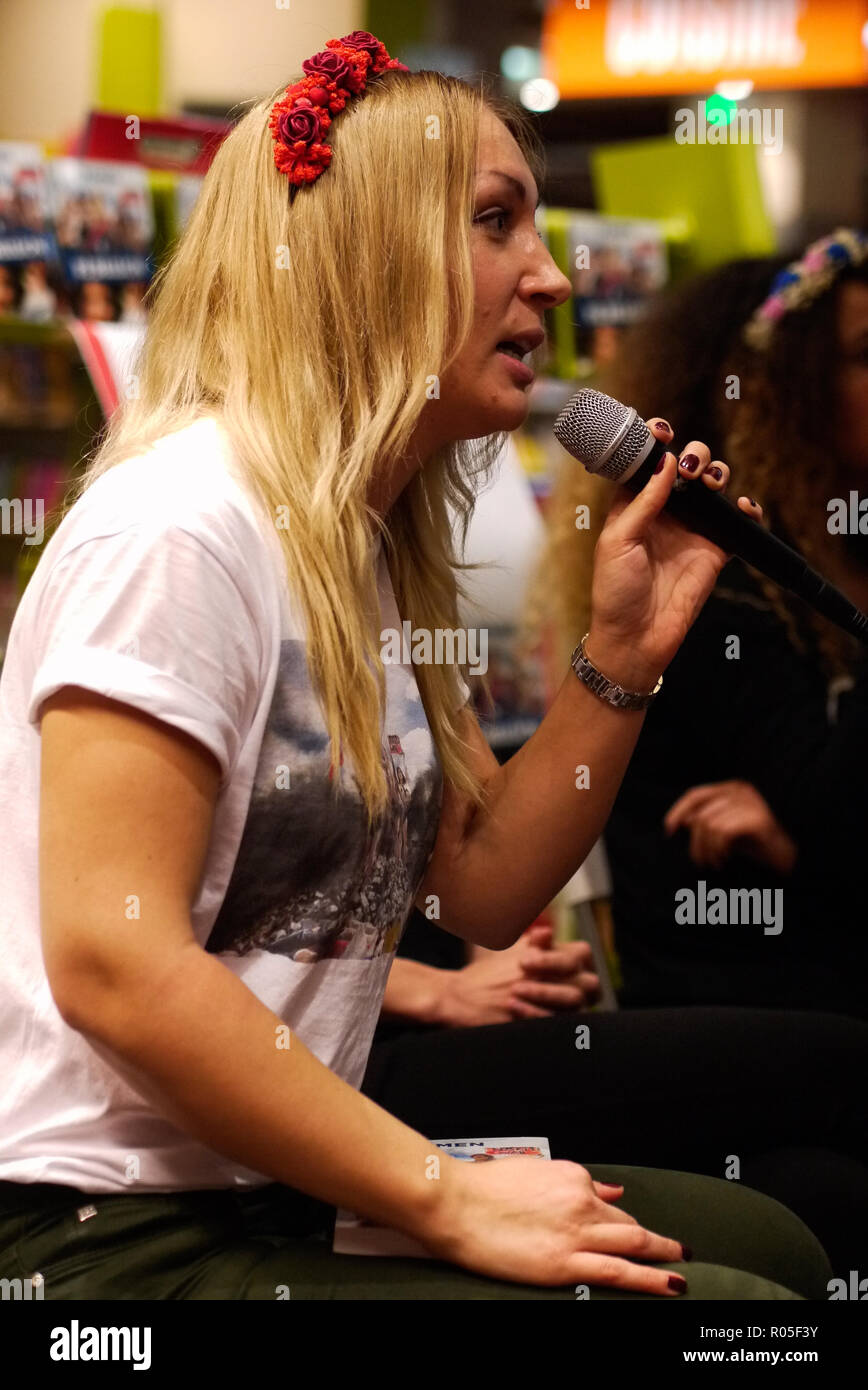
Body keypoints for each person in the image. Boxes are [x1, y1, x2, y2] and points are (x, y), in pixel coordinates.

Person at [0, 33, 828, 1301]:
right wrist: (452, 1198)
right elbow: (116, 964)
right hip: (103, 1233)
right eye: (497, 223)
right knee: (733, 1310)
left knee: (775, 1245)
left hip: (275, 1184)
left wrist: (620, 658)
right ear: (360, 254)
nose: (550, 279)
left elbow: (479, 893)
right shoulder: (177, 531)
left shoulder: (355, 545)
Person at [531, 238, 868, 1018]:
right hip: (746, 1015)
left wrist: (804, 845)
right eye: (863, 353)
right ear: (783, 388)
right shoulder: (727, 583)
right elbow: (841, 819)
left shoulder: (845, 547)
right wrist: (813, 848)